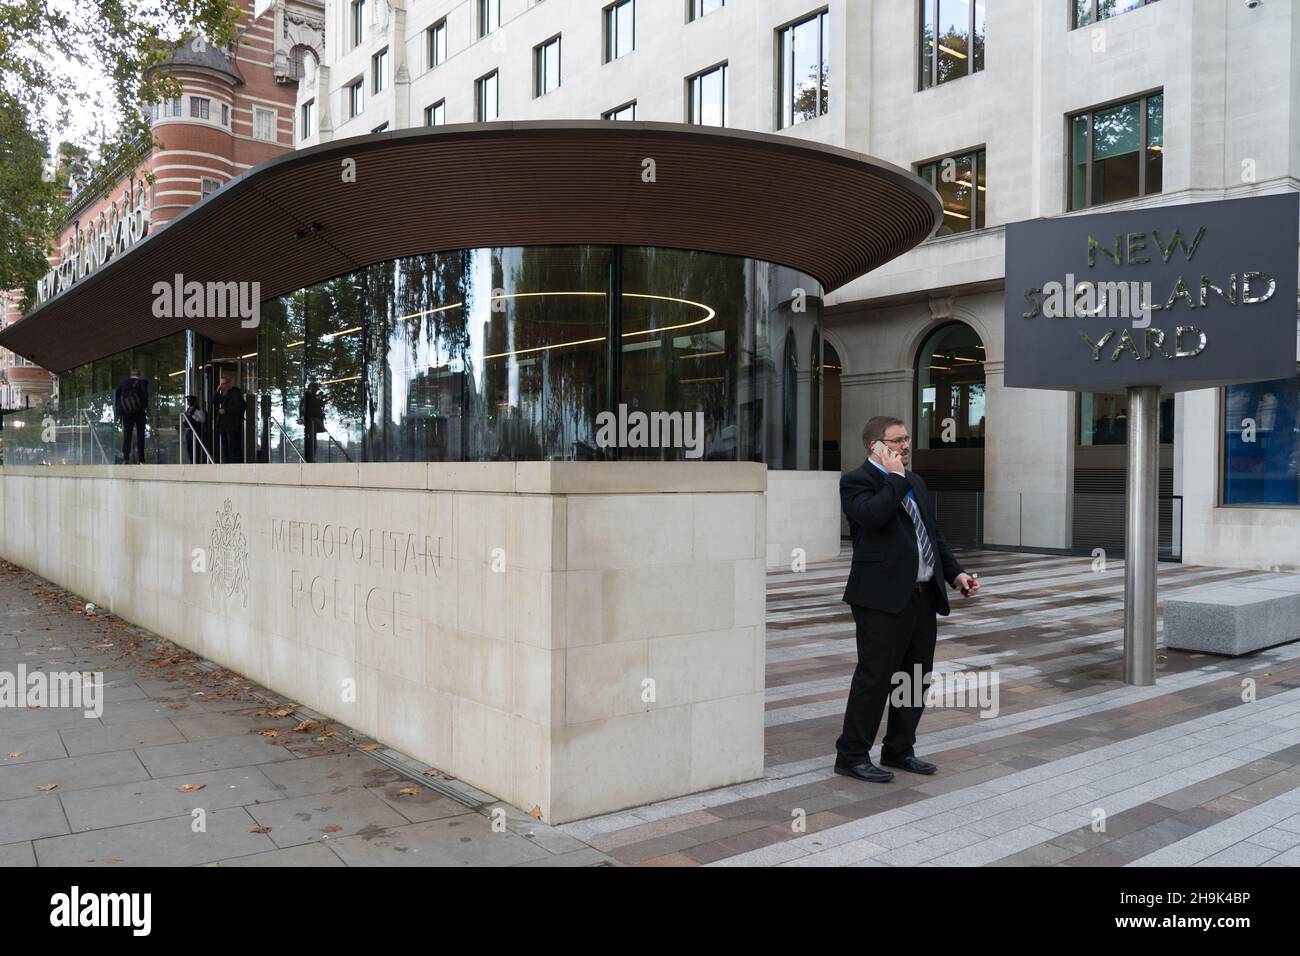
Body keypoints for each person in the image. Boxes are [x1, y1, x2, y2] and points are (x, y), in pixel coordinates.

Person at [835, 415, 981, 783]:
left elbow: (932, 534)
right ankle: (852, 755)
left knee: (914, 677)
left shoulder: (915, 481)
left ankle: (899, 749)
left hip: (922, 596)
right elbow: (872, 517)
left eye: (906, 439)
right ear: (876, 446)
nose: (905, 446)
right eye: (897, 441)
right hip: (880, 598)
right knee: (875, 677)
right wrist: (895, 478)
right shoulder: (857, 481)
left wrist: (956, 573)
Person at [113, 368, 149, 464]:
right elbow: (146, 396)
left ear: (131, 375)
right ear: (139, 375)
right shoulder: (142, 382)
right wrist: (143, 407)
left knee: (127, 435)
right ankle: (141, 459)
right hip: (140, 413)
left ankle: (126, 458)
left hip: (127, 413)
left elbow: (116, 397)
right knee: (140, 435)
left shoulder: (123, 383)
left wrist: (120, 411)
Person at [214, 373, 245, 463]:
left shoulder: (235, 393)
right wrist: (217, 391)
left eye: (223, 384)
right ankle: (226, 462)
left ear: (229, 384)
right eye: (221, 384)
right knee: (225, 445)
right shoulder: (224, 393)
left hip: (231, 424)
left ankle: (233, 462)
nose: (222, 386)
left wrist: (225, 410)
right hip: (224, 424)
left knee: (232, 445)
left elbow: (240, 406)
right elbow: (214, 401)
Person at [301, 380, 325, 462]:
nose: (315, 391)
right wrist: (307, 419)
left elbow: (318, 408)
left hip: (313, 422)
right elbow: (305, 409)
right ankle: (309, 459)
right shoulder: (307, 397)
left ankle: (311, 458)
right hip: (311, 422)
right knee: (311, 442)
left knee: (313, 442)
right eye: (314, 389)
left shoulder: (313, 397)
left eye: (316, 389)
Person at [182, 395, 206, 463]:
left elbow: (203, 420)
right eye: (188, 401)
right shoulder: (187, 410)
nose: (188, 402)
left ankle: (196, 463)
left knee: (195, 448)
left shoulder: (197, 410)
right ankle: (191, 462)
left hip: (195, 431)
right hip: (188, 431)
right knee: (189, 448)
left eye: (190, 401)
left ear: (194, 401)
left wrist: (194, 417)